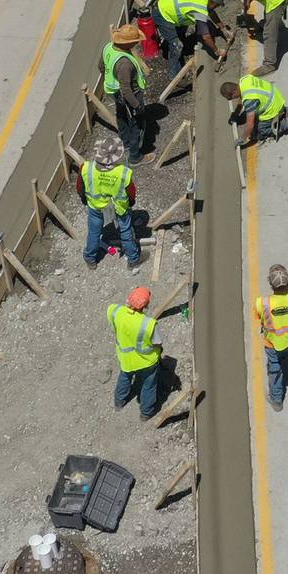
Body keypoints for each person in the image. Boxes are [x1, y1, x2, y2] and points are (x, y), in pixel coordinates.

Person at [253, 264, 288, 411]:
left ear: (269, 283)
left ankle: (277, 401)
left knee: (275, 371)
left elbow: (258, 317)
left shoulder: (262, 302)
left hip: (273, 345)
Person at [79, 136, 141, 268]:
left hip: (95, 206)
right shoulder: (123, 173)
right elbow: (131, 192)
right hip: (119, 208)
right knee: (126, 231)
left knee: (94, 233)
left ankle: (90, 258)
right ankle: (133, 259)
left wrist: (84, 199)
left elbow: (80, 187)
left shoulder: (86, 168)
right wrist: (130, 202)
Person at [108, 286, 163, 419]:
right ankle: (146, 413)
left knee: (124, 378)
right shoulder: (148, 324)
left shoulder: (115, 311)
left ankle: (119, 403)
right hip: (147, 362)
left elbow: (113, 320)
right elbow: (158, 343)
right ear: (145, 305)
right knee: (149, 386)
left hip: (126, 358)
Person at [101, 23, 150, 165]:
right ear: (128, 43)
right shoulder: (124, 64)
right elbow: (126, 89)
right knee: (137, 123)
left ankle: (126, 141)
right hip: (129, 95)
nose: (137, 42)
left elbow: (101, 66)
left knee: (122, 116)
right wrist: (137, 106)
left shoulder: (108, 48)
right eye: (135, 41)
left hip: (114, 92)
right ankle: (135, 156)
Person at [151, 0, 225, 76]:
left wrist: (223, 28)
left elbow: (211, 12)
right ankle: (174, 75)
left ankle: (178, 46)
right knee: (177, 45)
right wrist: (217, 50)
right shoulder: (199, 10)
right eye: (217, 5)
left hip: (167, 4)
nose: (216, 8)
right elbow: (206, 37)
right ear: (213, 3)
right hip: (162, 14)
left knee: (182, 29)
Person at [240, 0, 288, 77]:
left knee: (268, 34)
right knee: (270, 19)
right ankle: (279, 25)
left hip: (275, 1)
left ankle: (269, 64)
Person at [219, 76, 288, 146]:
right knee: (248, 112)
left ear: (234, 91)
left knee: (260, 131)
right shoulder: (244, 80)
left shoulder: (249, 99)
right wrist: (236, 113)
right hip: (276, 98)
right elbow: (242, 96)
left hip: (273, 110)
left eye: (230, 98)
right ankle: (287, 110)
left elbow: (250, 125)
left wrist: (242, 139)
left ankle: (286, 124)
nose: (230, 99)